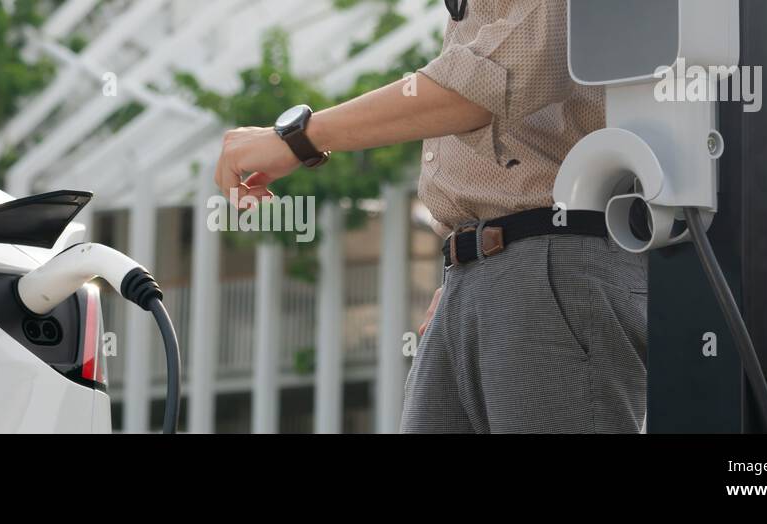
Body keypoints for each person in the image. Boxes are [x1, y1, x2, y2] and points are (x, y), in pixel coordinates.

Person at [212, 0, 646, 433]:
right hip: (488, 270)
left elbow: (499, 75)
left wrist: (300, 138)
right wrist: (471, 265)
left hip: (546, 264)